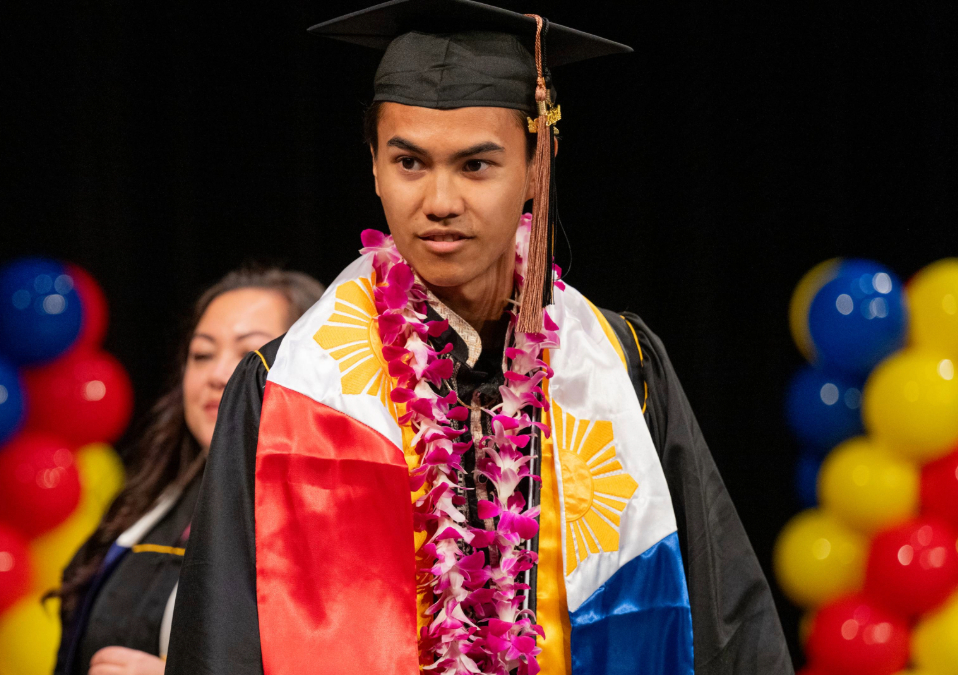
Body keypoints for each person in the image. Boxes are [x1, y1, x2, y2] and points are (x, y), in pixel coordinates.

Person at [166, 1, 793, 674]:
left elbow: (730, 631)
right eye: (410, 162)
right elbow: (223, 642)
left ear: (537, 166)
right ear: (373, 166)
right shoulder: (290, 388)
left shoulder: (621, 366)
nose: (440, 201)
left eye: (475, 166)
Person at [51, 267, 323, 675]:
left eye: (249, 356)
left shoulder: (329, 526)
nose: (217, 375)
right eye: (202, 355)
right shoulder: (146, 507)